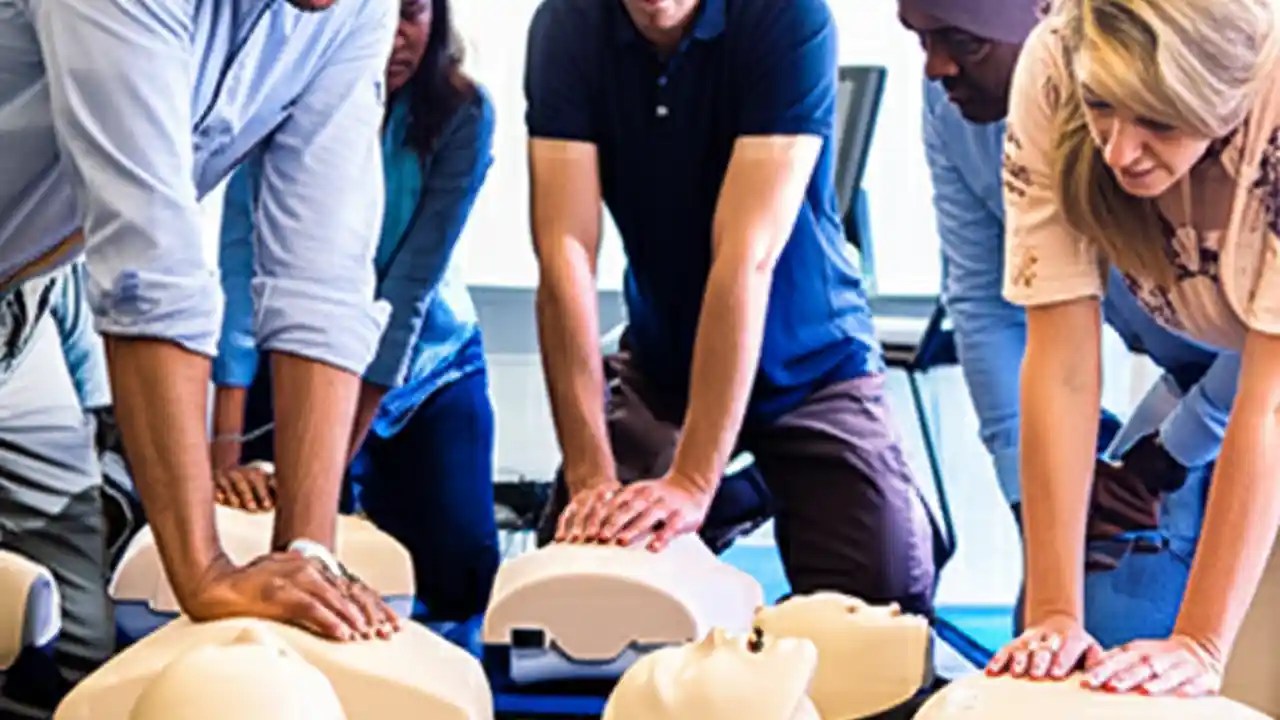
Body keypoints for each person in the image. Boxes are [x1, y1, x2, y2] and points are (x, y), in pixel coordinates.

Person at [0, 0, 404, 697]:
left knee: (73, 645)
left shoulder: (356, 10)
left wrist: (308, 561)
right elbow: (149, 261)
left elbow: (322, 274)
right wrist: (205, 572)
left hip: (22, 304)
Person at [523, 0, 938, 617]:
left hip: (813, 367)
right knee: (584, 586)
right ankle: (745, 482)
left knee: (882, 608)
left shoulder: (789, 17)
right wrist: (591, 482)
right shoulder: (567, 24)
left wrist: (692, 484)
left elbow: (746, 256)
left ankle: (762, 478)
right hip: (667, 367)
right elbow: (564, 254)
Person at [900, 0, 1243, 647]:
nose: (937, 66)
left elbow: (1268, 363)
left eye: (964, 43)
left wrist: (1168, 456)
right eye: (920, 38)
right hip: (1194, 374)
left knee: (1121, 623)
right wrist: (1036, 495)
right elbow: (995, 308)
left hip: (1256, 375)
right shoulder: (988, 101)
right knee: (1059, 616)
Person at [983, 0, 1280, 698]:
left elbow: (1267, 404)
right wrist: (1054, 616)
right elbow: (1060, 363)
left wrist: (1200, 644)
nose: (1117, 150)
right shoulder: (1059, 58)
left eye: (1158, 118)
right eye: (1103, 106)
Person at [210, 0, 501, 625]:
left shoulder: (463, 115)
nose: (392, 36)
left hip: (426, 365)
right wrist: (225, 448)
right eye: (379, 11)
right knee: (265, 531)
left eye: (413, 13)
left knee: (461, 564)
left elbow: (407, 294)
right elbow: (239, 263)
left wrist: (329, 458)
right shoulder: (281, 92)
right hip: (299, 348)